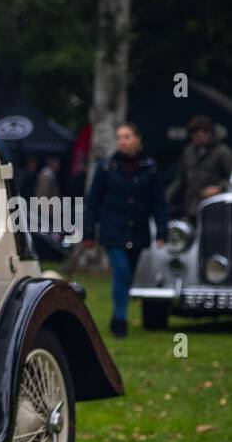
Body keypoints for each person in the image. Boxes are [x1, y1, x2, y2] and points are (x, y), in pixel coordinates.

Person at [83, 122, 167, 338]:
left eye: (127, 136)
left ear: (137, 139)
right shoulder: (106, 167)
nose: (122, 141)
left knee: (127, 276)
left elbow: (158, 201)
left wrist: (162, 230)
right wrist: (89, 232)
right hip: (114, 230)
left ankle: (117, 315)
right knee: (121, 271)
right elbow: (93, 201)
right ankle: (120, 320)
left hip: (138, 229)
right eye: (119, 137)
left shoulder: (150, 167)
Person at [166, 114, 232, 221]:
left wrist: (219, 188)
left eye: (202, 133)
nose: (198, 136)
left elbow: (231, 179)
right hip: (191, 206)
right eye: (195, 133)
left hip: (215, 206)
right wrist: (166, 197)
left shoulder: (222, 152)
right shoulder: (188, 151)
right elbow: (180, 179)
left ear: (210, 133)